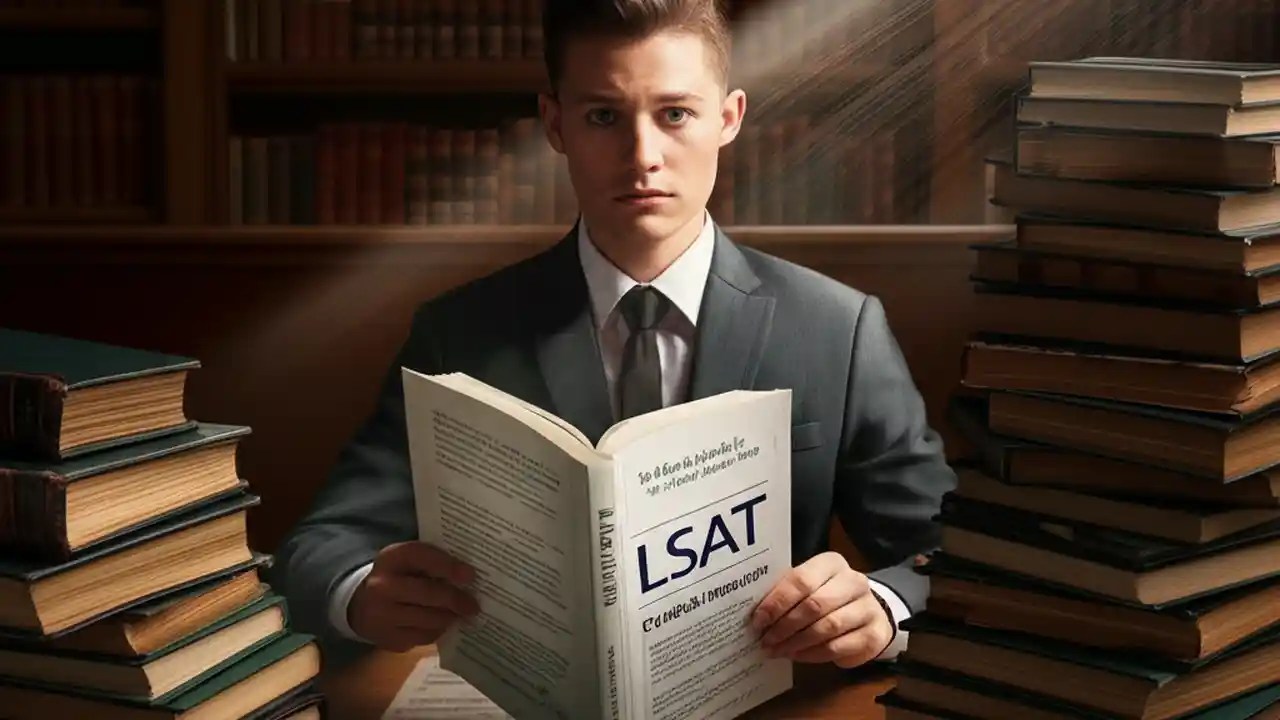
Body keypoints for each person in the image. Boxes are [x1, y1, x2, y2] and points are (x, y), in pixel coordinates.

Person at [273, 0, 955, 672]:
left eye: (675, 114)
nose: (642, 156)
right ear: (555, 123)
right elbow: (321, 547)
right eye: (604, 116)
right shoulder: (458, 333)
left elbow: (948, 552)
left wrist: (884, 605)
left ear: (728, 119)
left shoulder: (840, 327)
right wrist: (359, 596)